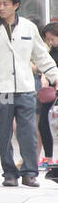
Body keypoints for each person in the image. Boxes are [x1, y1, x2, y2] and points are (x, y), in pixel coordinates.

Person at [0, 0, 58, 187]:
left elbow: (41, 55)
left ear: (16, 5)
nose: (1, 7)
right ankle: (9, 173)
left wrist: (55, 76)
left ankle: (29, 173)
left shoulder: (29, 28)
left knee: (28, 132)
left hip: (25, 88)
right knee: (4, 133)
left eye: (5, 4)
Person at [39, 23, 58, 169]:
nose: (50, 42)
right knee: (43, 124)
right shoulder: (51, 51)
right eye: (48, 40)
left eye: (52, 39)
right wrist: (44, 77)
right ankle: (48, 157)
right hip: (50, 93)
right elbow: (46, 67)